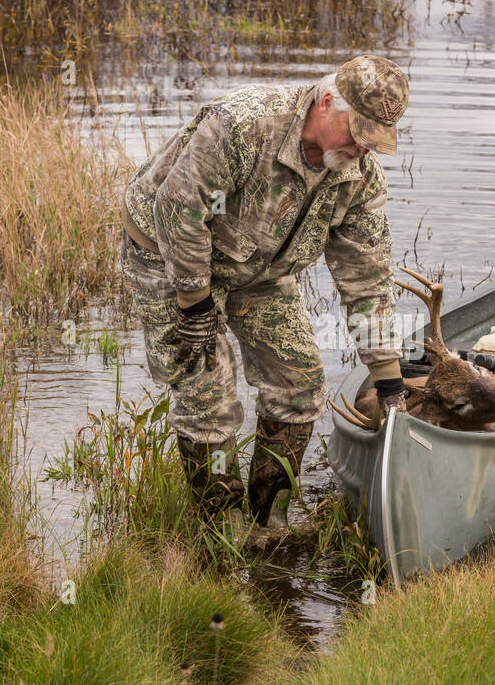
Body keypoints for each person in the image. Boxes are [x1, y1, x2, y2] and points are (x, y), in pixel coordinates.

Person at [119, 54, 410, 538]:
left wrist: (388, 380)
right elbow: (180, 208)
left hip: (260, 269)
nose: (362, 146)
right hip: (167, 251)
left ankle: (268, 522)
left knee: (300, 385)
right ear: (324, 103)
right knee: (208, 397)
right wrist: (195, 303)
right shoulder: (243, 124)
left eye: (373, 138)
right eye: (356, 129)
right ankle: (223, 531)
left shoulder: (359, 178)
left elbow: (368, 279)